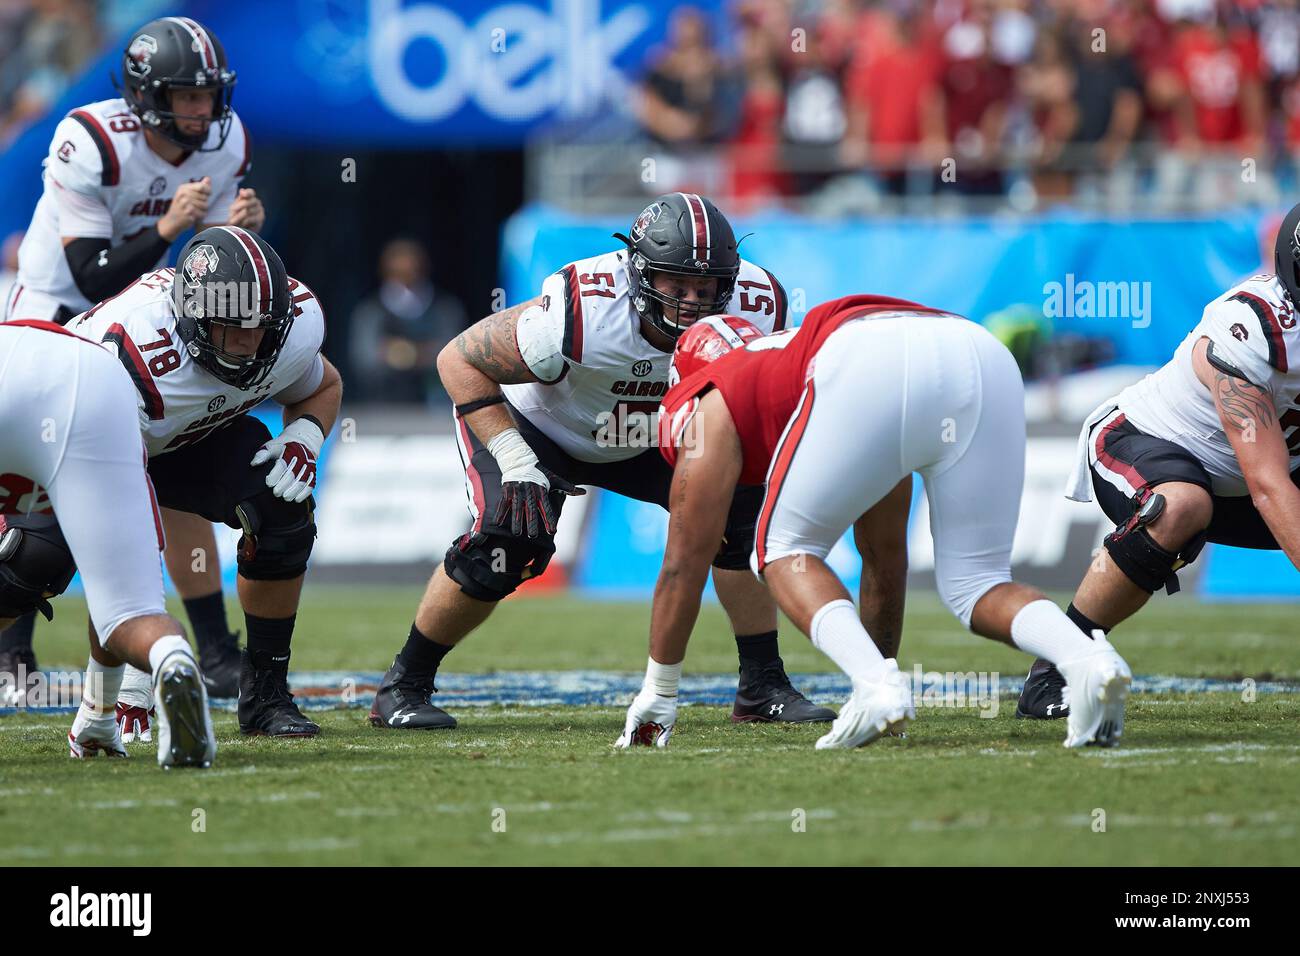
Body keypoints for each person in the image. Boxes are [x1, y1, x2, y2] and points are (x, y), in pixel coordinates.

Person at [369, 193, 835, 730]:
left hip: (651, 434)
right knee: (507, 542)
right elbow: (458, 359)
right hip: (543, 428)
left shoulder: (759, 303)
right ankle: (403, 686)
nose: (690, 302)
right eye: (674, 285)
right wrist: (515, 456)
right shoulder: (584, 310)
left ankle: (763, 686)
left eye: (704, 289)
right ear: (639, 275)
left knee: (741, 517)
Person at [617, 298, 1132, 751]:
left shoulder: (710, 394)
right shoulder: (788, 366)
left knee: (777, 549)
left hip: (870, 358)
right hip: (977, 349)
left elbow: (684, 564)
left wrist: (659, 693)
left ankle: (875, 686)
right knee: (977, 584)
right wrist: (882, 668)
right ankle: (1085, 661)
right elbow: (884, 555)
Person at [0, 17, 265, 707]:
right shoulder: (90, 140)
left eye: (210, 95)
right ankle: (11, 648)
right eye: (188, 96)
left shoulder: (226, 140)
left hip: (147, 316)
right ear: (148, 96)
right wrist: (172, 227)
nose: (205, 112)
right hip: (51, 314)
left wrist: (232, 238)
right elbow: (89, 275)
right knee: (25, 488)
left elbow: (205, 260)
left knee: (170, 466)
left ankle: (212, 647)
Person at [1018, 201, 1300, 719]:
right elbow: (1268, 484)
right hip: (1143, 440)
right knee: (1179, 508)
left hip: (1244, 474)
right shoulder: (1253, 330)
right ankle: (1056, 667)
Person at [64, 226, 341, 738]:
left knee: (282, 514)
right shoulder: (132, 358)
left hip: (184, 437)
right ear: (192, 315)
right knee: (28, 563)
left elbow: (323, 383)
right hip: (81, 443)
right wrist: (135, 671)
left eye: (261, 326)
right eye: (232, 326)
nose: (248, 341)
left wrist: (305, 434)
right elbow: (123, 527)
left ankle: (265, 697)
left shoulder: (291, 331)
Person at [0, 319, 214, 768]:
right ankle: (168, 658)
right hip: (102, 381)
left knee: (26, 560)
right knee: (129, 615)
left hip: (79, 381)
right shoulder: (300, 323)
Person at [347, 239, 465, 404]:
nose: (405, 283)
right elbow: (365, 361)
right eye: (399, 275)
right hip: (381, 409)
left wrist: (399, 352)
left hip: (436, 411)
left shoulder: (445, 310)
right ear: (386, 274)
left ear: (423, 272)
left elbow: (455, 359)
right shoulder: (370, 313)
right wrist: (422, 353)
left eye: (411, 274)